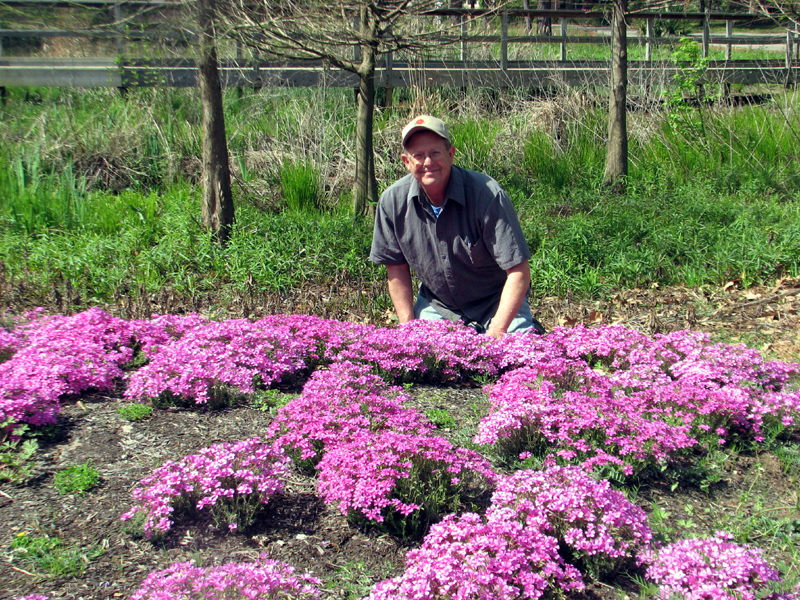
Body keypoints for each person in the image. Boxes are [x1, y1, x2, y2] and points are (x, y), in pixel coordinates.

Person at [370, 115, 545, 338]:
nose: (428, 162)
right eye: (418, 156)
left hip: (496, 301)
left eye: (435, 153)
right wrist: (408, 329)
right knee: (423, 355)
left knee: (515, 353)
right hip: (438, 305)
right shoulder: (392, 202)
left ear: (451, 154)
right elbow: (396, 269)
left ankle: (524, 329)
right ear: (406, 161)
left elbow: (519, 271)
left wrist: (497, 331)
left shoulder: (487, 194)